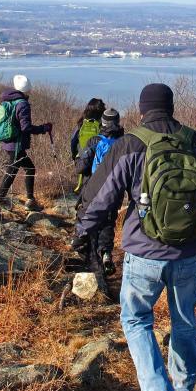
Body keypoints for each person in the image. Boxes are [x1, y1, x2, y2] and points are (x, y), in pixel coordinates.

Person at [74, 83, 196, 391]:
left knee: (136, 319)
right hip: (187, 252)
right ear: (171, 107)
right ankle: (184, 385)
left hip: (143, 253)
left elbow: (101, 198)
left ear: (143, 109)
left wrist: (80, 233)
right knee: (184, 317)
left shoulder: (130, 145)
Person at [0, 74, 53, 219]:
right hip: (16, 145)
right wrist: (43, 128)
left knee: (30, 168)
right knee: (10, 173)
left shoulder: (7, 100)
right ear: (27, 89)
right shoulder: (22, 104)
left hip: (8, 143)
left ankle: (30, 200)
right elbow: (26, 128)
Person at [73, 107, 124, 276]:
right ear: (117, 122)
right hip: (115, 190)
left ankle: (90, 260)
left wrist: (79, 159)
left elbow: (81, 168)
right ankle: (106, 253)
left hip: (94, 188)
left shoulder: (95, 140)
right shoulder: (124, 142)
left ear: (103, 122)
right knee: (108, 221)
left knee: (89, 219)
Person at [70, 98, 106, 192]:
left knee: (85, 189)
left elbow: (73, 142)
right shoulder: (102, 126)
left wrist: (75, 158)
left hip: (83, 160)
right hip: (98, 163)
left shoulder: (81, 124)